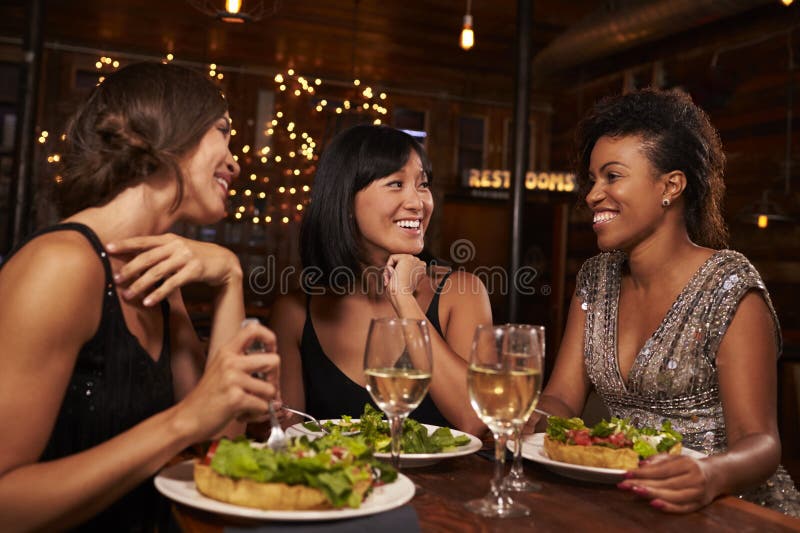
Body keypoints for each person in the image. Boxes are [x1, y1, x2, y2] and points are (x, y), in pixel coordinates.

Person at [0, 62, 280, 531]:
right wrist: (182, 421)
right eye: (222, 132)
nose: (235, 160)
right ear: (165, 136)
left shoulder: (157, 282)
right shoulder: (61, 265)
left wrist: (230, 275)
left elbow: (221, 444)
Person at [532, 88, 800, 516]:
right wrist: (520, 420)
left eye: (612, 176)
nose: (592, 194)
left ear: (670, 186)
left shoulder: (728, 285)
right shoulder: (595, 279)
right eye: (593, 179)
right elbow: (562, 399)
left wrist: (711, 475)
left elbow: (761, 442)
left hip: (731, 510)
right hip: (630, 501)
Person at [270, 125, 489, 435]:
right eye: (396, 184)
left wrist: (403, 299)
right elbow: (289, 438)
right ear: (345, 202)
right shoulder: (294, 312)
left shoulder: (461, 293)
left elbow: (477, 419)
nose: (418, 202)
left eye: (422, 184)